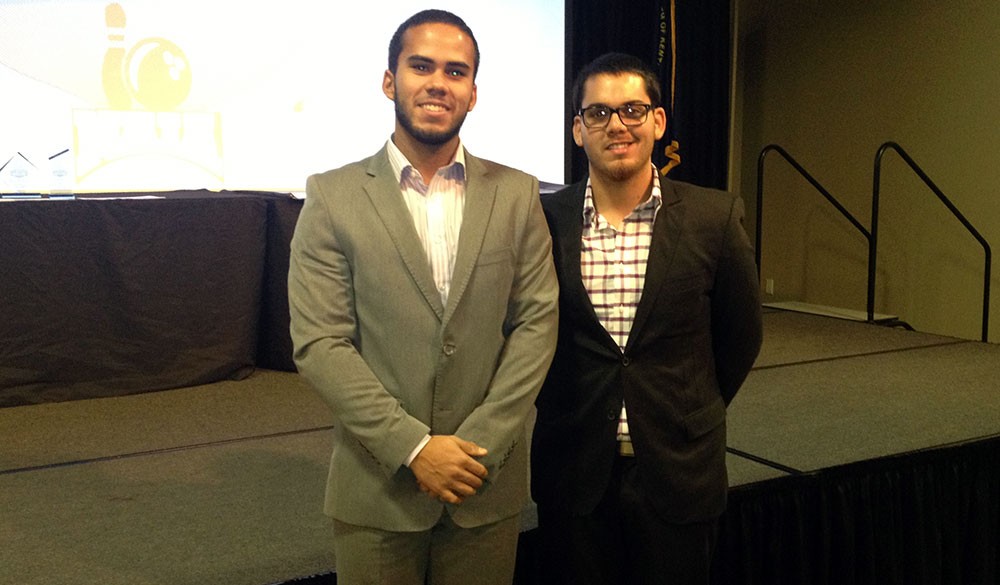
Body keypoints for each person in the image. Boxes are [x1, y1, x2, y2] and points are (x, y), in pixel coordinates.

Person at [287, 9, 558, 585]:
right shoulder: (332, 198)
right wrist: (414, 448)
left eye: (456, 71)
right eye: (421, 66)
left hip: (485, 484)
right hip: (378, 490)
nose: (438, 82)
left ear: (473, 93)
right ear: (390, 81)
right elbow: (321, 343)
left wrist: (476, 447)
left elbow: (537, 325)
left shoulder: (516, 194)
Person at [530, 52, 763, 585]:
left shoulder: (714, 217)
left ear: (657, 121)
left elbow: (741, 336)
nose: (617, 125)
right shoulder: (543, 220)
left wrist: (686, 407)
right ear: (577, 129)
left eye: (633, 109)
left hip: (679, 471)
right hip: (574, 471)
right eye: (598, 113)